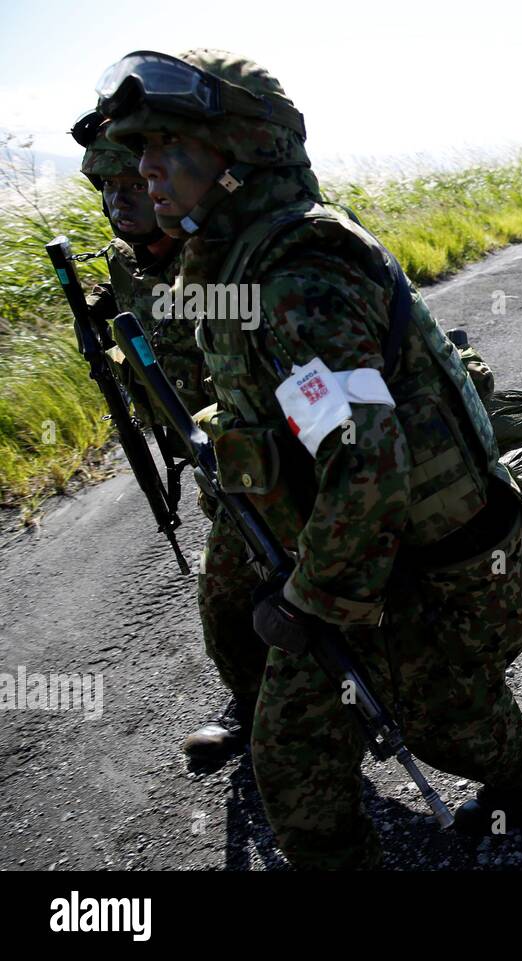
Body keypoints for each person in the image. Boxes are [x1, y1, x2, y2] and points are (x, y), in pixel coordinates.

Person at [99, 49, 522, 867]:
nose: (146, 172)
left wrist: (315, 601)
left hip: (416, 553)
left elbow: (366, 455)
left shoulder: (297, 271)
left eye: (167, 147)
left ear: (241, 152)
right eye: (141, 152)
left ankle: (520, 770)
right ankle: (505, 773)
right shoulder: (241, 257)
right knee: (330, 746)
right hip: (371, 546)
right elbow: (296, 418)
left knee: (408, 727)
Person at [73, 111, 265, 763]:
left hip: (264, 457)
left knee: (232, 596)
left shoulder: (221, 258)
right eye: (108, 187)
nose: (119, 199)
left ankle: (262, 708)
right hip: (208, 457)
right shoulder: (131, 264)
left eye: (132, 182)